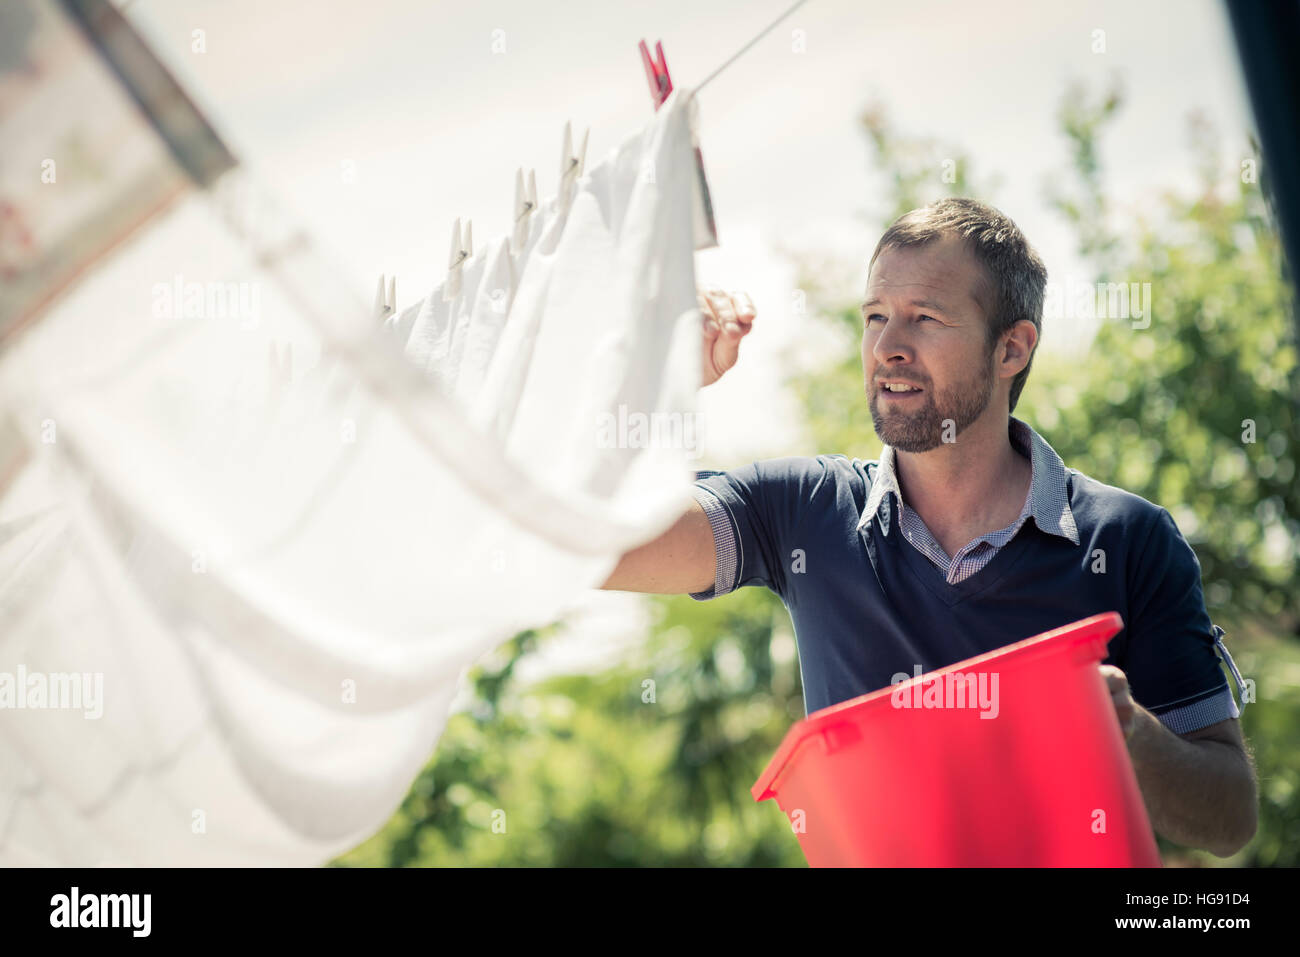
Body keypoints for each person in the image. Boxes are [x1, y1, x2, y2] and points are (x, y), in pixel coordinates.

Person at [600, 197, 1258, 859]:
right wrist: (646, 389)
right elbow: (593, 548)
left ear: (1012, 347)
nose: (888, 347)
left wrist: (1129, 729)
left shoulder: (1128, 539)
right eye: (876, 317)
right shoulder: (801, 511)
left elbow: (1231, 817)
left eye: (924, 318)